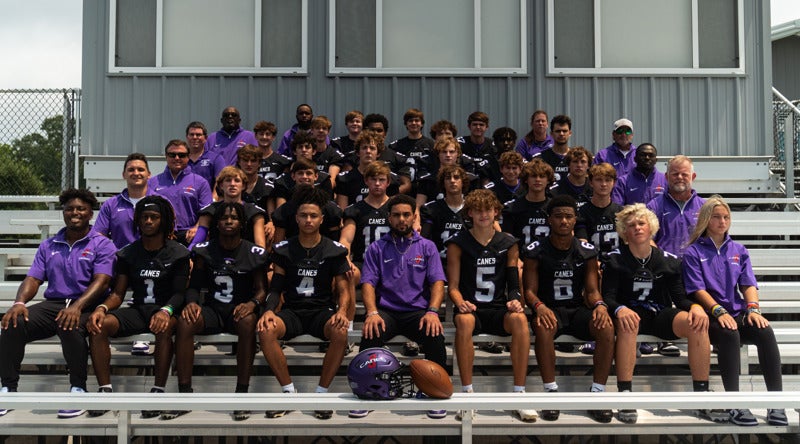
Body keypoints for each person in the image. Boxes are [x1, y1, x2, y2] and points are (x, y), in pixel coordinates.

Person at [0, 189, 115, 418]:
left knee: (69, 324)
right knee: (13, 322)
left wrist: (77, 307)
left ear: (90, 214)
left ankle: (78, 389)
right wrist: (19, 302)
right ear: (63, 212)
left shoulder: (102, 244)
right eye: (70, 209)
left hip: (88, 304)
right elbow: (33, 279)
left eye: (81, 209)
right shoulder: (49, 245)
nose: (75, 213)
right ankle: (8, 389)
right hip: (54, 303)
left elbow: (102, 281)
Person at [603, 204, 718, 424]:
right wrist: (620, 309)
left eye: (641, 223)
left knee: (697, 323)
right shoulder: (615, 259)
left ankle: (702, 392)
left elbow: (680, 298)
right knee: (628, 324)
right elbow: (607, 297)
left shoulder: (668, 260)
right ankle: (625, 393)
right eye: (631, 225)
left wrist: (695, 307)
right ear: (624, 232)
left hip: (658, 313)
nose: (637, 228)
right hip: (629, 314)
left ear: (651, 228)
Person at [683, 197, 787, 427]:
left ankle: (776, 401)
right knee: (730, 335)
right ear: (706, 220)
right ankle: (734, 403)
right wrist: (718, 311)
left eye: (726, 217)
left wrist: (753, 309)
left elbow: (748, 284)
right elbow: (697, 290)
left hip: (736, 312)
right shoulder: (693, 252)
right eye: (717, 217)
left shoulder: (739, 250)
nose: (722, 221)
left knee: (764, 331)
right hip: (709, 315)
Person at [85, 196, 190, 418]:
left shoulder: (178, 253)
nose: (148, 221)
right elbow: (118, 294)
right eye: (144, 217)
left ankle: (158, 390)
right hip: (139, 309)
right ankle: (105, 390)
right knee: (99, 325)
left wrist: (166, 311)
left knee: (163, 327)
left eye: (154, 217)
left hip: (165, 310)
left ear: (163, 221)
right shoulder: (128, 253)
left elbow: (179, 293)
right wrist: (101, 308)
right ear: (137, 221)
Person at [258, 187, 352, 420]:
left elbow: (343, 290)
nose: (308, 220)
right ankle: (289, 393)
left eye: (313, 215)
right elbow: (276, 288)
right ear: (296, 218)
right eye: (304, 215)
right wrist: (269, 311)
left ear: (321, 219)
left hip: (321, 312)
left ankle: (321, 394)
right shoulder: (284, 249)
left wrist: (342, 311)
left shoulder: (334, 250)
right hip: (293, 312)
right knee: (266, 329)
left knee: (340, 331)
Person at [168, 202, 268, 421]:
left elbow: (262, 290)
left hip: (239, 310)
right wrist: (192, 302)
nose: (229, 221)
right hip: (213, 309)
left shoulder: (254, 252)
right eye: (224, 218)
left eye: (234, 218)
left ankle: (242, 394)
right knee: (185, 321)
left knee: (248, 322)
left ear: (242, 223)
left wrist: (251, 304)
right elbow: (194, 286)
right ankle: (184, 394)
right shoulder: (204, 251)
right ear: (216, 223)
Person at [522, 195, 614, 423]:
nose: (563, 221)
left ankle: (598, 392)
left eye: (568, 216)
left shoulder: (586, 250)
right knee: (543, 326)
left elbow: (591, 291)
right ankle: (550, 391)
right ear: (549, 219)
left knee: (606, 326)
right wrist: (539, 307)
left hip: (576, 309)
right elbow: (529, 291)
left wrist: (600, 305)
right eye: (558, 216)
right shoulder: (536, 250)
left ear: (575, 219)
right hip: (549, 308)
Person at [446, 189, 536, 422]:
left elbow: (513, 283)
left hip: (497, 308)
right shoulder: (458, 243)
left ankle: (519, 393)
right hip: (471, 308)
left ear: (496, 212)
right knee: (464, 321)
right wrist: (460, 303)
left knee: (520, 319)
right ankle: (467, 394)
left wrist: (514, 299)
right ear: (469, 213)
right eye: (477, 210)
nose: (483, 214)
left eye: (488, 210)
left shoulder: (508, 242)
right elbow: (452, 286)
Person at [355, 194, 448, 420]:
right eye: (396, 215)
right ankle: (367, 394)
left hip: (417, 311)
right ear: (389, 218)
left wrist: (433, 312)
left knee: (435, 335)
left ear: (414, 217)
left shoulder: (427, 246)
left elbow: (437, 282)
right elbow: (368, 283)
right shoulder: (377, 248)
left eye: (406, 215)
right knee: (371, 332)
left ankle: (434, 393)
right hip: (387, 311)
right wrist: (372, 312)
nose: (402, 219)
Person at [148, 139, 213, 246]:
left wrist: (197, 228)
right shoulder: (152, 182)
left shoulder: (200, 182)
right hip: (161, 235)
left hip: (189, 235)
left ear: (188, 157)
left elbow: (206, 212)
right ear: (166, 156)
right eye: (172, 155)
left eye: (181, 155)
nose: (177, 158)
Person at [191, 166, 267, 249]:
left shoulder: (255, 213)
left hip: (246, 255)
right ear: (221, 185)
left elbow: (260, 246)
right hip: (215, 254)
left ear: (243, 186)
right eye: (228, 180)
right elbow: (196, 242)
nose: (232, 184)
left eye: (237, 180)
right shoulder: (209, 211)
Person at [646, 155, 705, 258]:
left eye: (684, 174)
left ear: (693, 176)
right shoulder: (653, 206)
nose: (680, 177)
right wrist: (661, 260)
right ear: (666, 177)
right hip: (665, 265)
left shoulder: (705, 207)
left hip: (695, 265)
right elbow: (646, 238)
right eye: (675, 174)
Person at [93, 152, 154, 249]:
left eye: (141, 169)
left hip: (154, 257)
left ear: (149, 174)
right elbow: (99, 236)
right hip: (120, 257)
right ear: (124, 175)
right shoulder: (111, 204)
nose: (136, 173)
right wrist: (112, 253)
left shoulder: (161, 202)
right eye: (131, 170)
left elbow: (169, 234)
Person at [335, 130, 399, 209]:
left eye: (372, 148)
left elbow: (395, 209)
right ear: (358, 153)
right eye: (364, 148)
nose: (368, 151)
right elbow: (343, 211)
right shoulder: (345, 179)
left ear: (378, 153)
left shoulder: (390, 178)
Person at [420, 165, 470, 262]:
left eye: (456, 177)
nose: (452, 181)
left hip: (466, 264)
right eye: (448, 178)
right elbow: (424, 238)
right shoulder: (431, 209)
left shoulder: (472, 208)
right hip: (438, 263)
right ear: (443, 183)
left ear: (463, 182)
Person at [501, 159, 554, 249]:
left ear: (548, 180)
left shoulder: (555, 207)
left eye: (542, 176)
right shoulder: (512, 208)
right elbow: (507, 238)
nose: (537, 180)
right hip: (520, 255)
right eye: (533, 176)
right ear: (526, 179)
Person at [185, 121, 226, 190]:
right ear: (187, 137)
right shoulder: (180, 159)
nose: (194, 137)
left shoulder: (216, 159)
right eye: (191, 134)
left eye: (198, 135)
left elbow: (220, 182)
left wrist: (213, 196)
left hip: (207, 196)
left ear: (206, 138)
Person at [532, 114, 572, 181]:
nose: (561, 134)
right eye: (558, 131)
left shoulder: (577, 158)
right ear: (551, 134)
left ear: (570, 133)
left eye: (564, 131)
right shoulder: (540, 159)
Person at [310, 115, 346, 188]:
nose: (321, 131)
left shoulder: (334, 155)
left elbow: (331, 181)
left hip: (325, 192)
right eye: (317, 128)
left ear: (328, 131)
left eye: (324, 128)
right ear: (312, 130)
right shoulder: (306, 152)